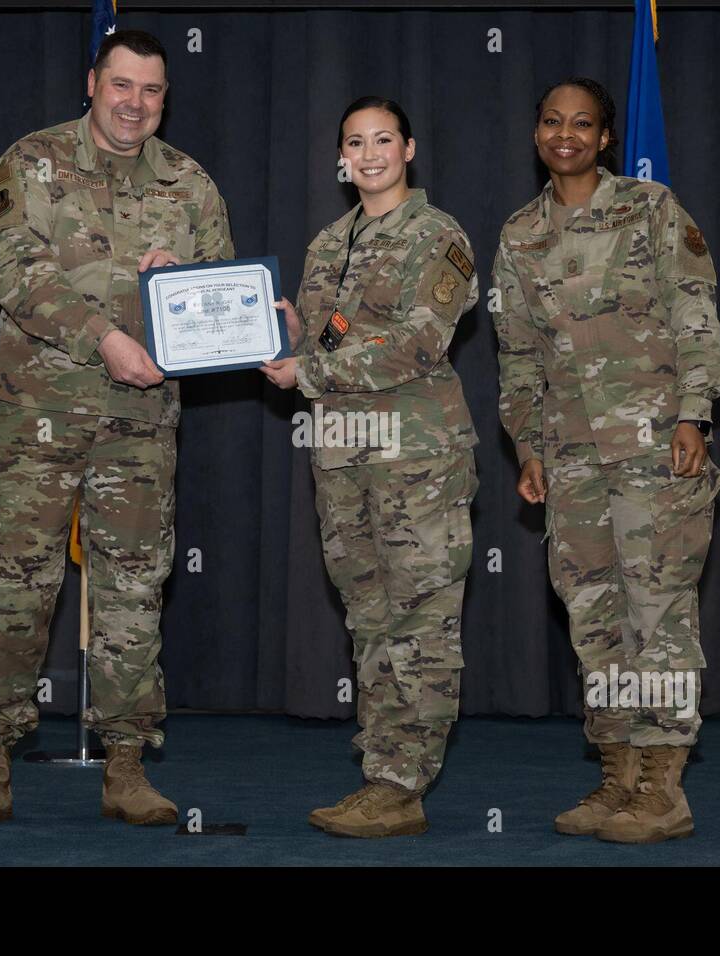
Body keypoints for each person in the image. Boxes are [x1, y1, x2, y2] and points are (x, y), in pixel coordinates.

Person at [0, 30, 234, 830]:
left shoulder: (190, 185)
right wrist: (104, 336)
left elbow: (218, 305)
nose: (135, 103)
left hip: (139, 422)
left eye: (152, 90)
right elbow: (14, 272)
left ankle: (127, 763)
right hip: (36, 413)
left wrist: (186, 290)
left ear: (165, 98)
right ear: (93, 82)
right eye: (122, 85)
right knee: (13, 587)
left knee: (134, 593)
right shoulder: (28, 162)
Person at [491, 77, 720, 843]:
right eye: (553, 122)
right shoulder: (519, 235)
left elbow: (695, 312)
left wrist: (695, 413)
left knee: (657, 615)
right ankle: (617, 776)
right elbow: (517, 355)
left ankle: (664, 788)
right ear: (537, 135)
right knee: (594, 618)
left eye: (582, 124)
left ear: (604, 138)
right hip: (570, 457)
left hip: (656, 445)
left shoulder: (651, 210)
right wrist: (527, 445)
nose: (566, 135)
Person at [262, 96, 479, 838]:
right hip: (343, 455)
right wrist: (289, 334)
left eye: (384, 139)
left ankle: (402, 784)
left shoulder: (439, 235)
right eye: (356, 141)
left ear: (409, 148)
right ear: (341, 156)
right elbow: (326, 339)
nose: (370, 152)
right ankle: (382, 772)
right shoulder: (330, 242)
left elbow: (423, 342)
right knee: (370, 618)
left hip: (415, 457)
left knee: (421, 620)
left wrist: (310, 375)